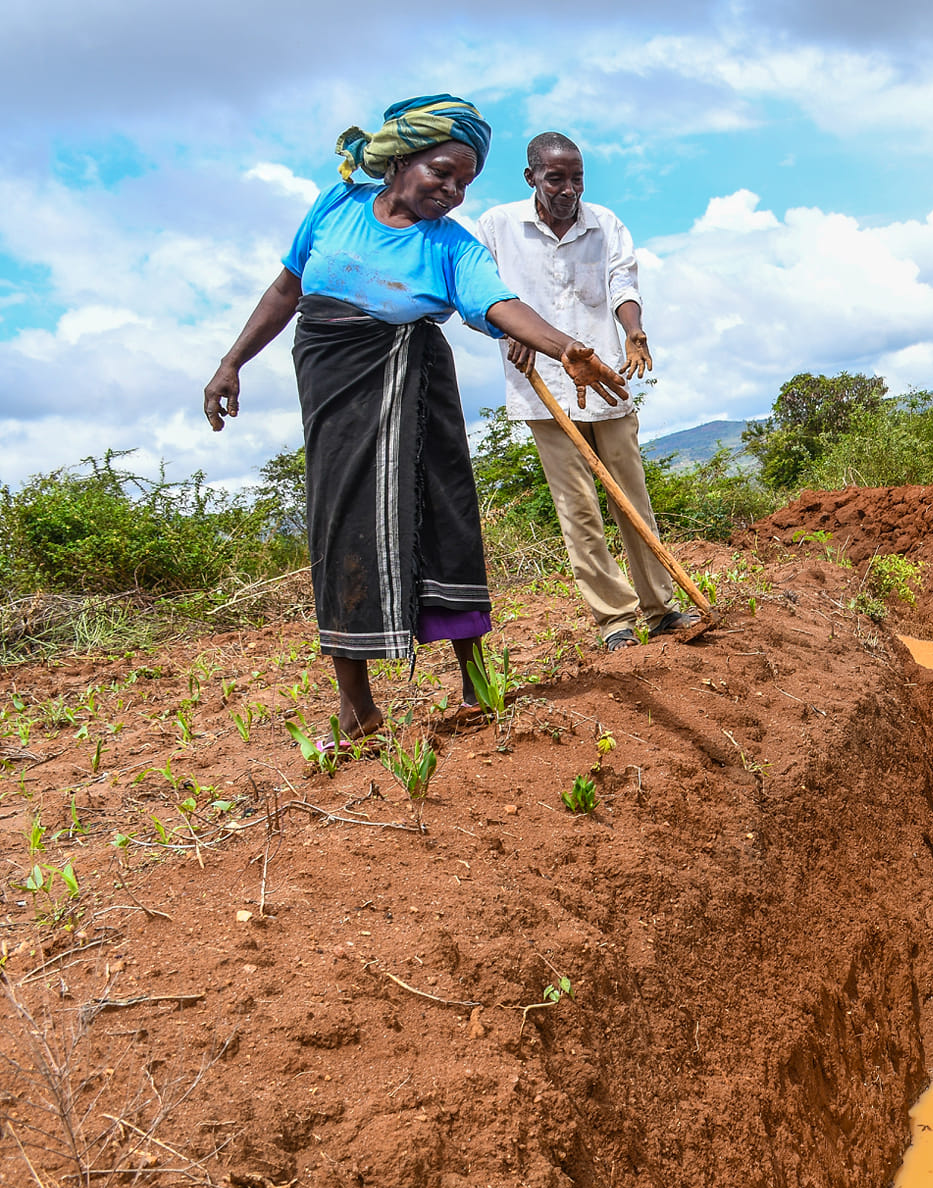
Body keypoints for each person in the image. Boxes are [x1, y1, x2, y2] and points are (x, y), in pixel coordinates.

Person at [203, 95, 628, 740]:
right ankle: (356, 704)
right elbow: (288, 288)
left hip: (415, 382)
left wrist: (563, 345)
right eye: (442, 174)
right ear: (400, 161)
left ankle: (476, 683)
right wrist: (231, 362)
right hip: (332, 382)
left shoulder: (454, 246)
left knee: (442, 516)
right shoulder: (335, 206)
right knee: (339, 521)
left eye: (464, 182)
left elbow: (499, 303)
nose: (453, 192)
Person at [477, 133, 695, 651]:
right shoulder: (497, 226)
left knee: (632, 499)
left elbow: (624, 282)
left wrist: (633, 330)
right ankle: (613, 619)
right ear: (531, 177)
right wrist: (509, 331)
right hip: (543, 389)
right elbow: (480, 292)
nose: (569, 189)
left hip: (605, 378)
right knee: (578, 508)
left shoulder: (605, 223)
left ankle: (661, 608)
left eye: (577, 178)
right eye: (556, 178)